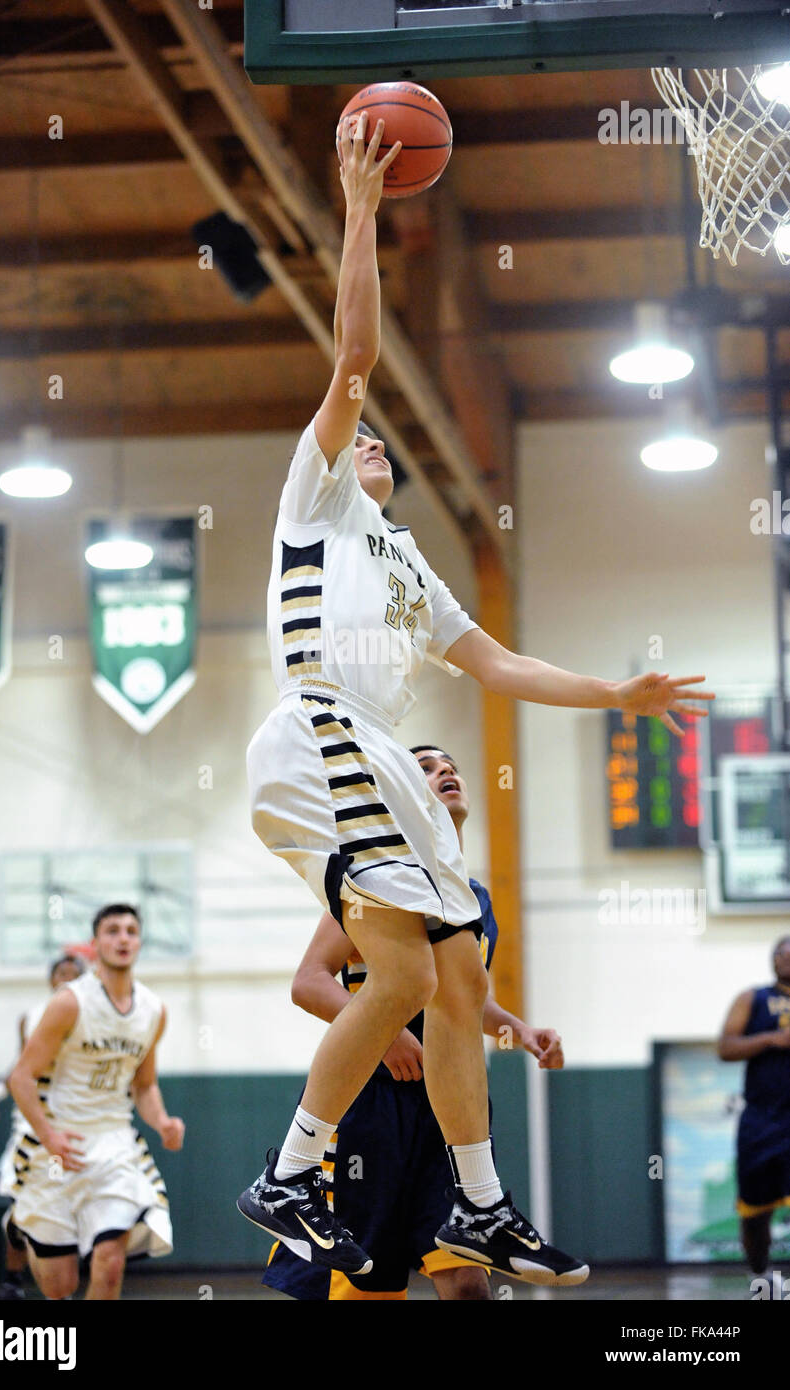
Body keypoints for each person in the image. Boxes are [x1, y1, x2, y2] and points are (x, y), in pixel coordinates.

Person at [238, 110, 713, 1281]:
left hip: (377, 753)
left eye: (378, 446)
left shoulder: (410, 567)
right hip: (316, 724)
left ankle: (480, 1203)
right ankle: (290, 1171)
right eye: (354, 440)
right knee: (399, 974)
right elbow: (353, 359)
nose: (368, 446)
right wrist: (360, 211)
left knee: (460, 974)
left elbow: (499, 666)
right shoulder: (315, 500)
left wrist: (617, 689)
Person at [264, 743, 571, 1300]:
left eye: (450, 765)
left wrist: (518, 1031)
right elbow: (309, 981)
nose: (445, 771)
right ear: (400, 796)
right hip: (371, 1106)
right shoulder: (375, 881)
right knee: (366, 1287)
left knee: (468, 1281)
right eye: (425, 769)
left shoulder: (471, 899)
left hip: (448, 1110)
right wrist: (388, 1039)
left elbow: (461, 1002)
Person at [9, 904, 184, 1300]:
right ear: (94, 944)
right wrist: (49, 1136)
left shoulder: (154, 1010)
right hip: (56, 1145)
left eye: (131, 931)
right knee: (61, 1284)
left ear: (139, 941)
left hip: (113, 1144)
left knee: (110, 1259)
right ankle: (27, 1224)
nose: (123, 938)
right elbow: (21, 1077)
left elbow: (144, 1085)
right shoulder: (70, 1002)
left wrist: (162, 1121)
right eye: (112, 931)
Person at [0, 953, 86, 1299]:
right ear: (51, 979)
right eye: (60, 973)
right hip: (33, 1129)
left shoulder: (96, 1016)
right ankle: (13, 1280)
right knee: (20, 1211)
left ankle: (64, 1284)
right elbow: (20, 1063)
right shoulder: (34, 1017)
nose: (66, 978)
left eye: (73, 973)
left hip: (76, 1129)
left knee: (68, 1211)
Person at [718, 934, 790, 1274]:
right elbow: (726, 1048)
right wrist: (772, 1039)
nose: (787, 957)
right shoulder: (753, 998)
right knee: (756, 1212)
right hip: (762, 1120)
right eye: (781, 953)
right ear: (773, 960)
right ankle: (760, 1275)